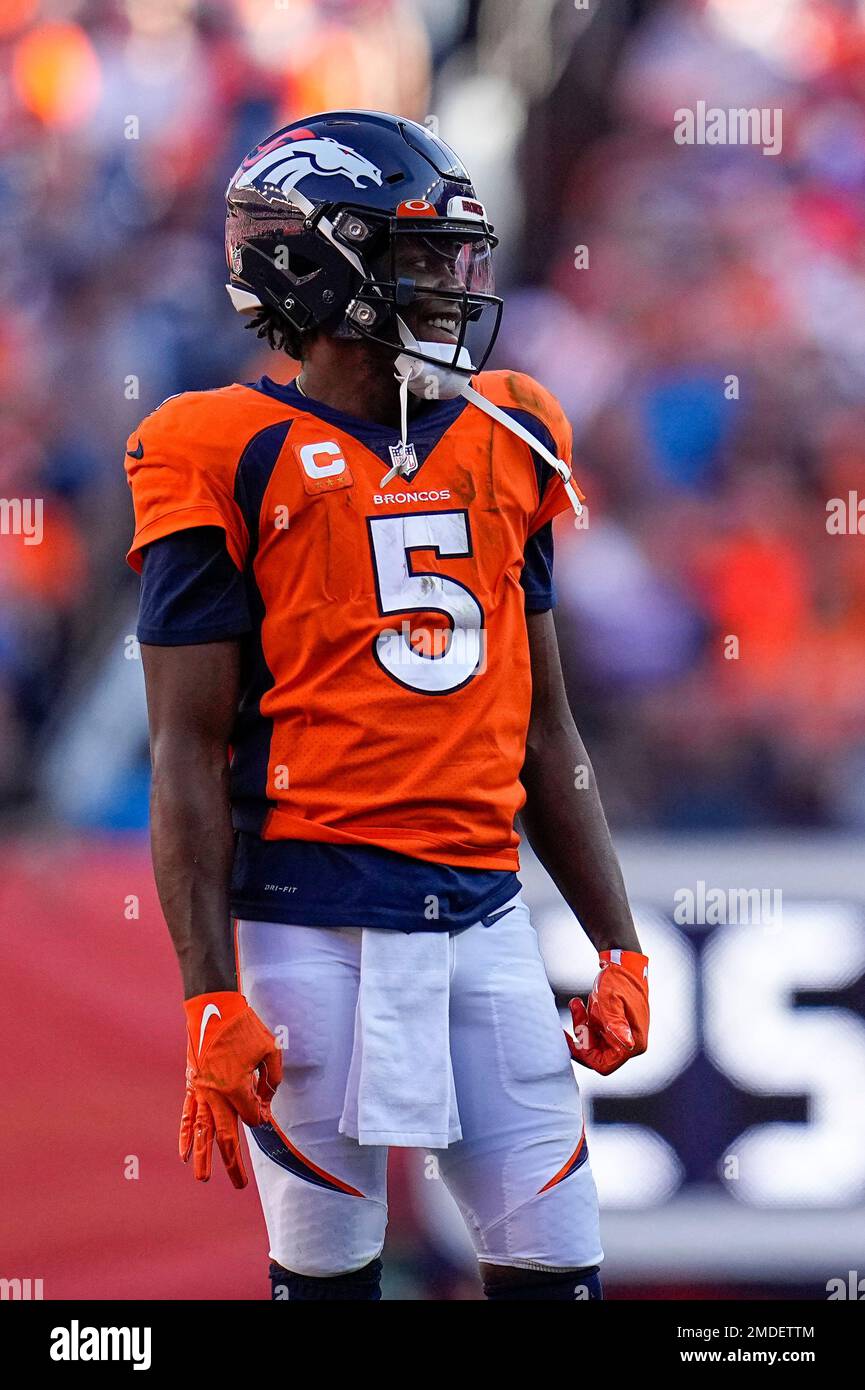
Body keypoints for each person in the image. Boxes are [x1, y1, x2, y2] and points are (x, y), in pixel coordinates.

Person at [125, 110, 649, 1301]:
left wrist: (615, 940)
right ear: (315, 268)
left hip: (486, 920)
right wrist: (208, 991)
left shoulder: (512, 430)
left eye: (455, 257)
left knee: (560, 1271)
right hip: (308, 933)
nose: (454, 285)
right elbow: (184, 753)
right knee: (329, 1285)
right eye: (420, 257)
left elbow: (545, 731)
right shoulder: (220, 447)